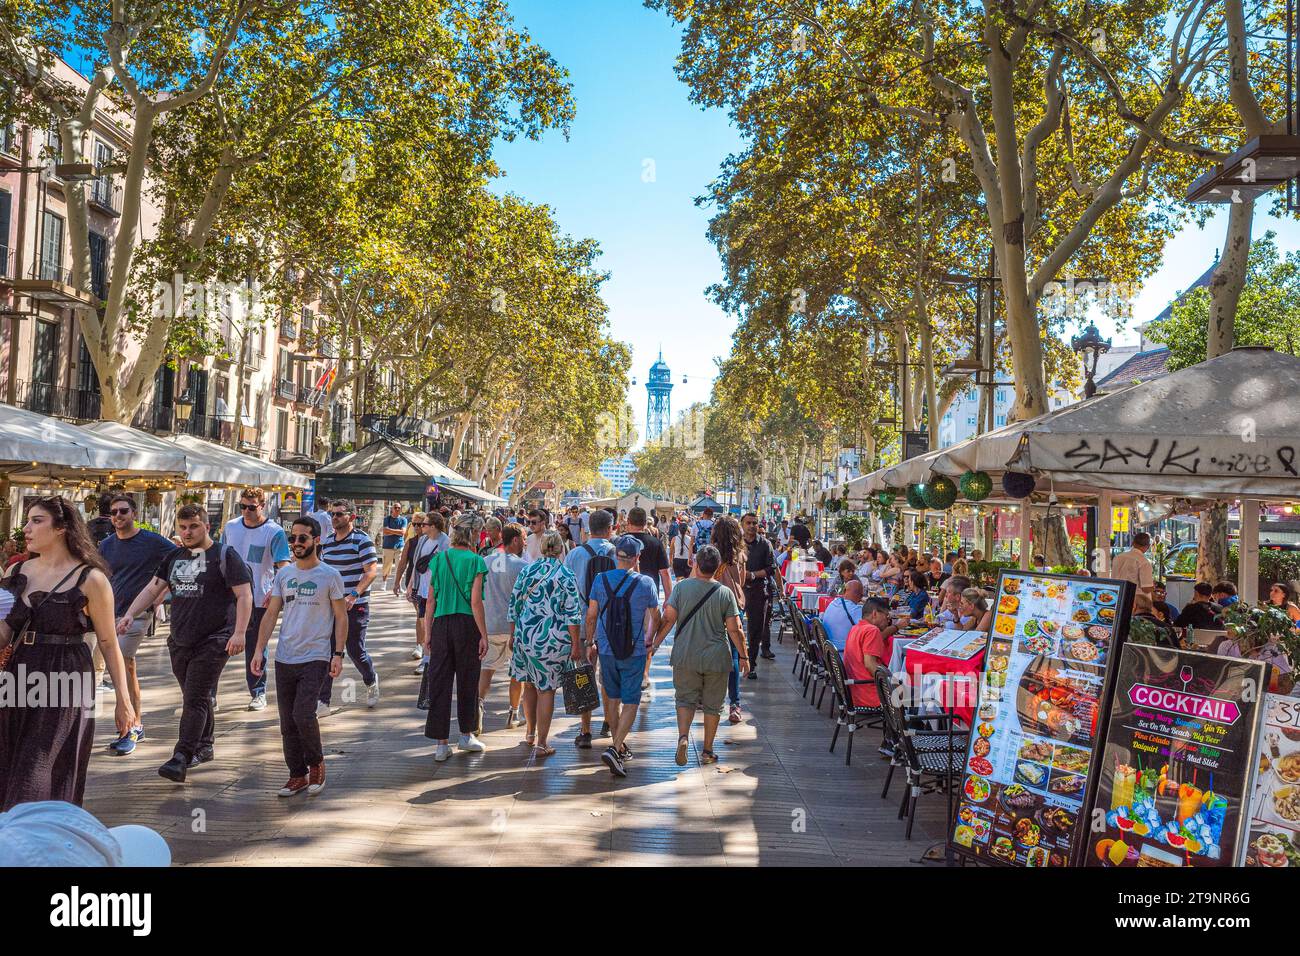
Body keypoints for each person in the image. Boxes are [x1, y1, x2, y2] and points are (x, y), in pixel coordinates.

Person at [0, 498, 134, 810]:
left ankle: (44, 841)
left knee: (40, 768)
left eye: (36, 521)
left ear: (61, 528)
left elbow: (108, 641)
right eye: (27, 520)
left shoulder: (91, 579)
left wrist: (123, 701)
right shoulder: (16, 570)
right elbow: (5, 634)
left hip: (67, 676)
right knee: (9, 761)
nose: (26, 528)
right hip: (19, 672)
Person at [116, 504, 251, 783]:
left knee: (195, 696)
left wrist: (239, 633)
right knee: (196, 697)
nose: (187, 532)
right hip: (179, 640)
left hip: (215, 639)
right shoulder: (174, 556)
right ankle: (205, 744)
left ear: (207, 527)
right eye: (183, 527)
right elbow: (153, 588)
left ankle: (181, 756)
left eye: (194, 527)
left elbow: (245, 596)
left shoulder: (225, 556)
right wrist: (130, 614)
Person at [251, 516, 347, 797]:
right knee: (287, 722)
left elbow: (341, 618)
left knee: (303, 713)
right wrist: (259, 649)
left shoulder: (330, 576)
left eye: (302, 538)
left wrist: (338, 653)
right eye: (292, 538)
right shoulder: (284, 575)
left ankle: (316, 763)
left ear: (316, 541)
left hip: (316, 655)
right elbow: (270, 615)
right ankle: (296, 775)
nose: (296, 544)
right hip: (285, 657)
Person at [651, 545, 748, 767]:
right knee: (714, 705)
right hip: (716, 657)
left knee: (685, 699)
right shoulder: (725, 593)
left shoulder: (682, 588)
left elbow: (668, 619)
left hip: (685, 654)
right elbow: (735, 629)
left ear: (695, 564)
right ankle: (707, 750)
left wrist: (654, 644)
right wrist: (744, 656)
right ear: (717, 569)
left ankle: (683, 737)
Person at [97, 494, 174, 755]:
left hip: (138, 613)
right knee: (125, 667)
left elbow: (178, 558)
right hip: (110, 614)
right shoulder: (106, 545)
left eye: (123, 511)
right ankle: (134, 725)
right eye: (114, 512)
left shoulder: (152, 541)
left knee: (121, 660)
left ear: (134, 513)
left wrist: (161, 593)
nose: (118, 517)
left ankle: (131, 727)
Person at [586, 535, 660, 777]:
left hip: (606, 649)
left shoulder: (600, 580)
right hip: (634, 650)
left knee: (611, 697)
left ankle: (618, 745)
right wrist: (649, 639)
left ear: (616, 556)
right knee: (631, 701)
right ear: (637, 558)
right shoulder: (646, 583)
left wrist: (590, 643)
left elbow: (591, 615)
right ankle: (616, 747)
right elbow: (656, 617)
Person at [509, 531, 584, 757]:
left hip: (525, 635)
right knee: (547, 689)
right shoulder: (566, 574)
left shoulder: (527, 570)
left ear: (542, 548)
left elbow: (514, 605)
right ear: (561, 549)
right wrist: (575, 644)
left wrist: (513, 634)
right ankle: (542, 742)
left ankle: (530, 733)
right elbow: (573, 614)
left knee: (529, 684)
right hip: (553, 640)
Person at [423, 517, 490, 761]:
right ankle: (466, 734)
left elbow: (431, 600)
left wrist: (428, 633)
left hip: (441, 623)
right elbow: (475, 603)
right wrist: (483, 634)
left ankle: (441, 744)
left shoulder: (439, 559)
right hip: (466, 624)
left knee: (440, 682)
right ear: (472, 536)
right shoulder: (476, 561)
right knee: (468, 679)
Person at [222, 486, 291, 712]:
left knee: (256, 647)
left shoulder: (274, 532)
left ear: (262, 506)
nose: (246, 511)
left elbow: (284, 566)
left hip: (260, 598)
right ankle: (210, 693)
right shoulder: (231, 527)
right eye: (242, 507)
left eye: (251, 507)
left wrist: (276, 589)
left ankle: (258, 692)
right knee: (217, 644)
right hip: (229, 597)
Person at [317, 500, 380, 714]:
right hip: (331, 606)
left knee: (355, 651)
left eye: (339, 514)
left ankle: (371, 680)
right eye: (332, 514)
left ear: (351, 517)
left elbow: (371, 571)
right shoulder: (327, 542)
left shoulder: (361, 540)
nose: (334, 518)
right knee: (328, 651)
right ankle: (323, 701)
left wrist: (354, 594)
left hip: (356, 605)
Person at [563, 507, 616, 746]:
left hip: (582, 624)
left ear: (587, 529)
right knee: (609, 676)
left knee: (583, 675)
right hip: (610, 624)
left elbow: (565, 591)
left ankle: (585, 731)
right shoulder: (618, 553)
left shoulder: (574, 555)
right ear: (610, 528)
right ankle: (608, 721)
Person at [481, 523, 530, 732]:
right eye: (524, 539)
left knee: (486, 670)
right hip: (514, 629)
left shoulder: (485, 561)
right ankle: (513, 713)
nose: (525, 543)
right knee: (517, 673)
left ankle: (477, 711)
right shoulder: (521, 566)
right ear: (516, 539)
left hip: (489, 625)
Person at [711, 514, 747, 724]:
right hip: (733, 605)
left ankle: (706, 697)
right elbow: (741, 580)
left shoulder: (710, 552)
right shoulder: (740, 555)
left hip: (712, 603)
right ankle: (735, 704)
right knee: (734, 652)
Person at [405, 512, 450, 677]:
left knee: (434, 627)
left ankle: (430, 659)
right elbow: (416, 564)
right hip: (423, 590)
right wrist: (411, 585)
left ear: (434, 526)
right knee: (425, 624)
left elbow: (446, 567)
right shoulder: (423, 540)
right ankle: (427, 658)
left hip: (437, 591)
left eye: (423, 524)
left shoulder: (445, 541)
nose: (419, 527)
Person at [741, 512, 778, 675]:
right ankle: (736, 661)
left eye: (754, 523)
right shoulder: (736, 544)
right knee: (734, 627)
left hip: (758, 591)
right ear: (742, 525)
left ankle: (752, 664)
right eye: (748, 523)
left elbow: (771, 568)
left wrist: (753, 575)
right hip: (738, 590)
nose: (751, 526)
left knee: (756, 629)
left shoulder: (765, 544)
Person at [390, 511, 428, 662]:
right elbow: (402, 564)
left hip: (429, 584)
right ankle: (420, 645)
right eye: (415, 524)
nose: (418, 527)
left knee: (423, 615)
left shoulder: (433, 541)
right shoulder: (410, 542)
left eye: (421, 524)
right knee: (421, 614)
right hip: (414, 584)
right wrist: (396, 582)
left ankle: (424, 644)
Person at [842, 596, 893, 708]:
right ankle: (911, 724)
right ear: (875, 613)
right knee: (916, 690)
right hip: (870, 695)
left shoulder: (855, 628)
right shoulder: (872, 630)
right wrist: (890, 682)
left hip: (854, 692)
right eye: (886, 615)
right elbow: (870, 665)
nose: (888, 620)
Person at [625, 507, 671, 601]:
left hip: (624, 593)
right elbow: (665, 572)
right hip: (649, 594)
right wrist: (668, 598)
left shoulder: (620, 542)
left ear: (628, 521)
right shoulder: (656, 543)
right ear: (645, 522)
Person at [821, 578, 864, 652]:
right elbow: (868, 631)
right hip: (842, 654)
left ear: (844, 592)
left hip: (828, 652)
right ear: (860, 596)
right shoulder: (855, 609)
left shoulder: (833, 603)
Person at [1111, 532, 1154, 601]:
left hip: (1117, 597)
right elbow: (1146, 588)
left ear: (1133, 543)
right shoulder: (1143, 562)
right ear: (1148, 546)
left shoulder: (1118, 557)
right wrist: (1153, 587)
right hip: (1136, 602)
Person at [379, 504, 408, 588]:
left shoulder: (403, 520)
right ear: (392, 509)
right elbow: (385, 531)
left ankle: (398, 585)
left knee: (400, 567)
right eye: (395, 507)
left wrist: (390, 531)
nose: (397, 509)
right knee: (386, 566)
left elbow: (403, 532)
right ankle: (384, 583)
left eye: (399, 508)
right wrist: (397, 532)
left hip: (399, 546)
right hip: (388, 546)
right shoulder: (387, 519)